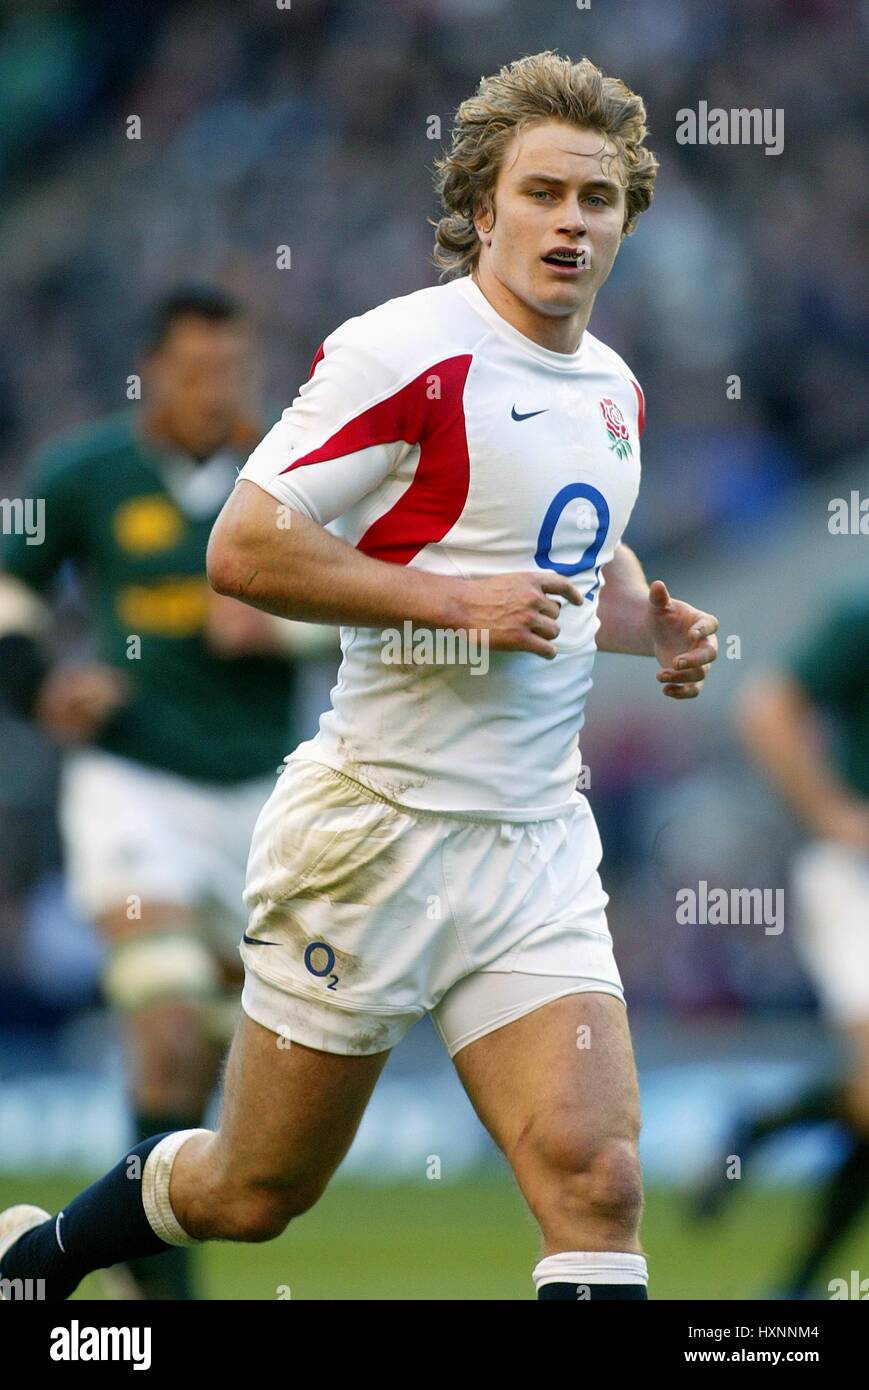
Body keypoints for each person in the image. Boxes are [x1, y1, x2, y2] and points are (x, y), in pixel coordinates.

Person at [0, 53, 718, 1303]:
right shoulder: (400, 349)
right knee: (256, 1191)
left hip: (533, 842)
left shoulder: (612, 388)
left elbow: (572, 552)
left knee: (596, 1182)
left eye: (595, 199)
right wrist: (451, 602)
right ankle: (36, 1257)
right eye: (540, 193)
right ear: (481, 210)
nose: (569, 221)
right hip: (372, 831)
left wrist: (644, 625)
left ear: (626, 217)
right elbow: (244, 545)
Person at [0, 285, 327, 1298]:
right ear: (151, 374)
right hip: (132, 787)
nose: (213, 389)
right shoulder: (86, 472)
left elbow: (390, 606)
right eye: (193, 371)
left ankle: (78, 1255)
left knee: (219, 1083)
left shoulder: (294, 472)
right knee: (168, 1029)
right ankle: (157, 1313)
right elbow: (9, 594)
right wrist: (43, 684)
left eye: (231, 370)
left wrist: (282, 627)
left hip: (268, 804)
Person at [695, 593, 869, 1298]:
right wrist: (829, 812)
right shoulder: (856, 622)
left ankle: (761, 1126)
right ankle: (795, 1288)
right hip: (856, 877)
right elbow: (764, 708)